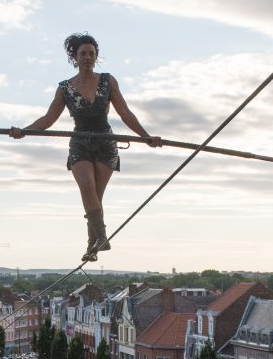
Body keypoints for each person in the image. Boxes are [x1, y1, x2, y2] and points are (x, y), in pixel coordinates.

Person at [10, 33, 161, 261]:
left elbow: (125, 112)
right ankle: (102, 238)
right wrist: (25, 131)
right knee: (87, 187)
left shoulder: (108, 81)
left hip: (105, 143)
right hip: (80, 143)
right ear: (75, 57)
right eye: (83, 54)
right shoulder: (65, 88)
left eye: (92, 53)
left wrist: (146, 136)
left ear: (96, 56)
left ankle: (93, 244)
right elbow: (49, 118)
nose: (88, 57)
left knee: (96, 197)